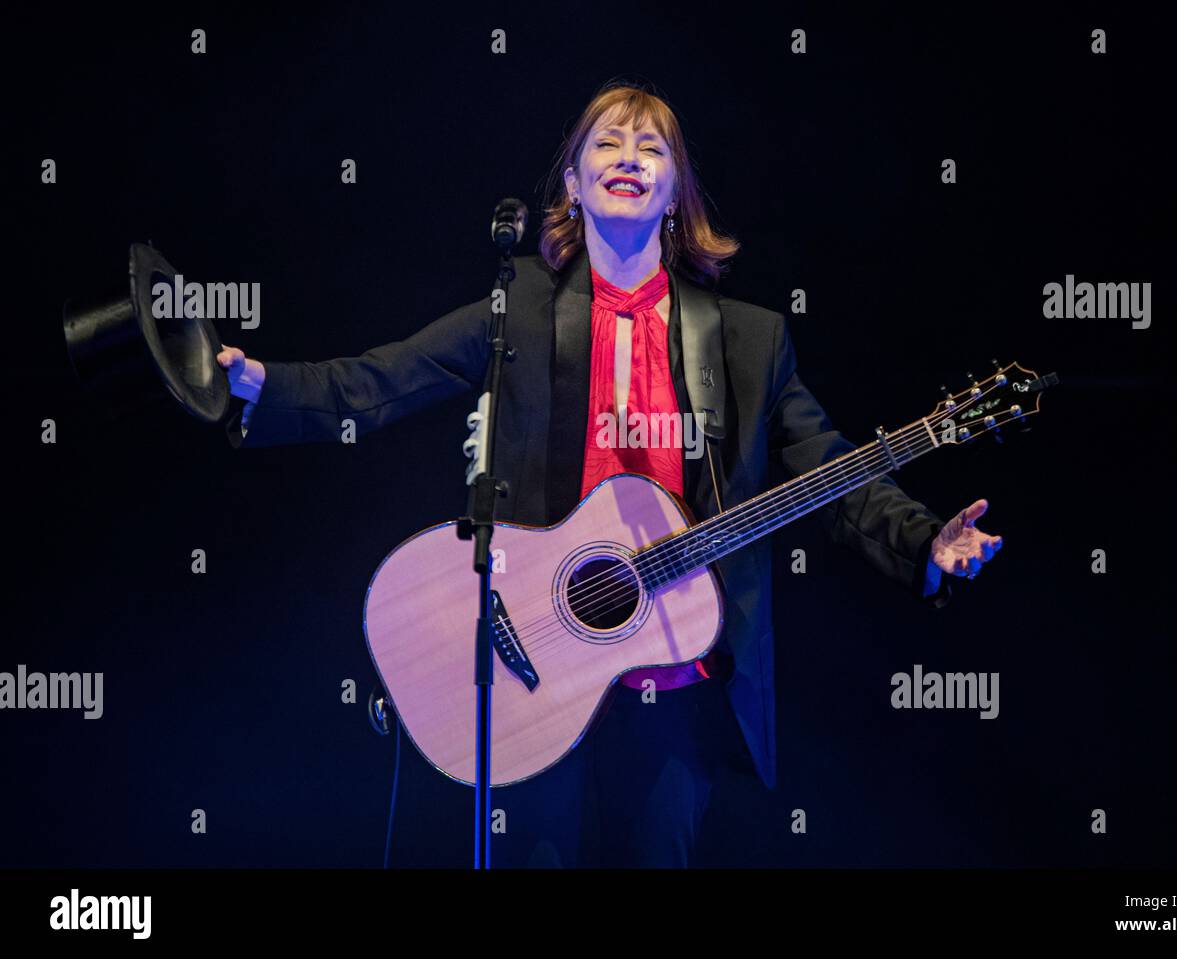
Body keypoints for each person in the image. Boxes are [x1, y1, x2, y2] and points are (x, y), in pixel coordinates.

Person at [217, 80, 1003, 868]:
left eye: (651, 148)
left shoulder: (746, 339)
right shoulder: (516, 308)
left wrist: (925, 539)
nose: (629, 158)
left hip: (678, 684)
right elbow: (382, 380)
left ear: (674, 193)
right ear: (572, 182)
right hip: (536, 672)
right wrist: (263, 385)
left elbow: (831, 467)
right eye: (607, 143)